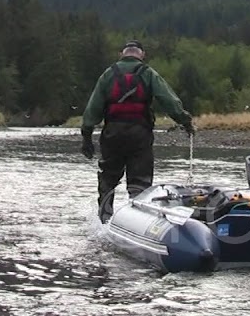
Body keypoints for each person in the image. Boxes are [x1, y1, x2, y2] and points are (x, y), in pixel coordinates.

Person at [80, 39, 195, 223]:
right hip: (140, 135)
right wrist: (185, 121)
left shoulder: (108, 75)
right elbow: (169, 100)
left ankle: (104, 220)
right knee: (139, 183)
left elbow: (93, 108)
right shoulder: (149, 73)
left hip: (112, 134)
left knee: (108, 179)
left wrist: (86, 137)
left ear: (121, 54)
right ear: (142, 55)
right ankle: (137, 222)